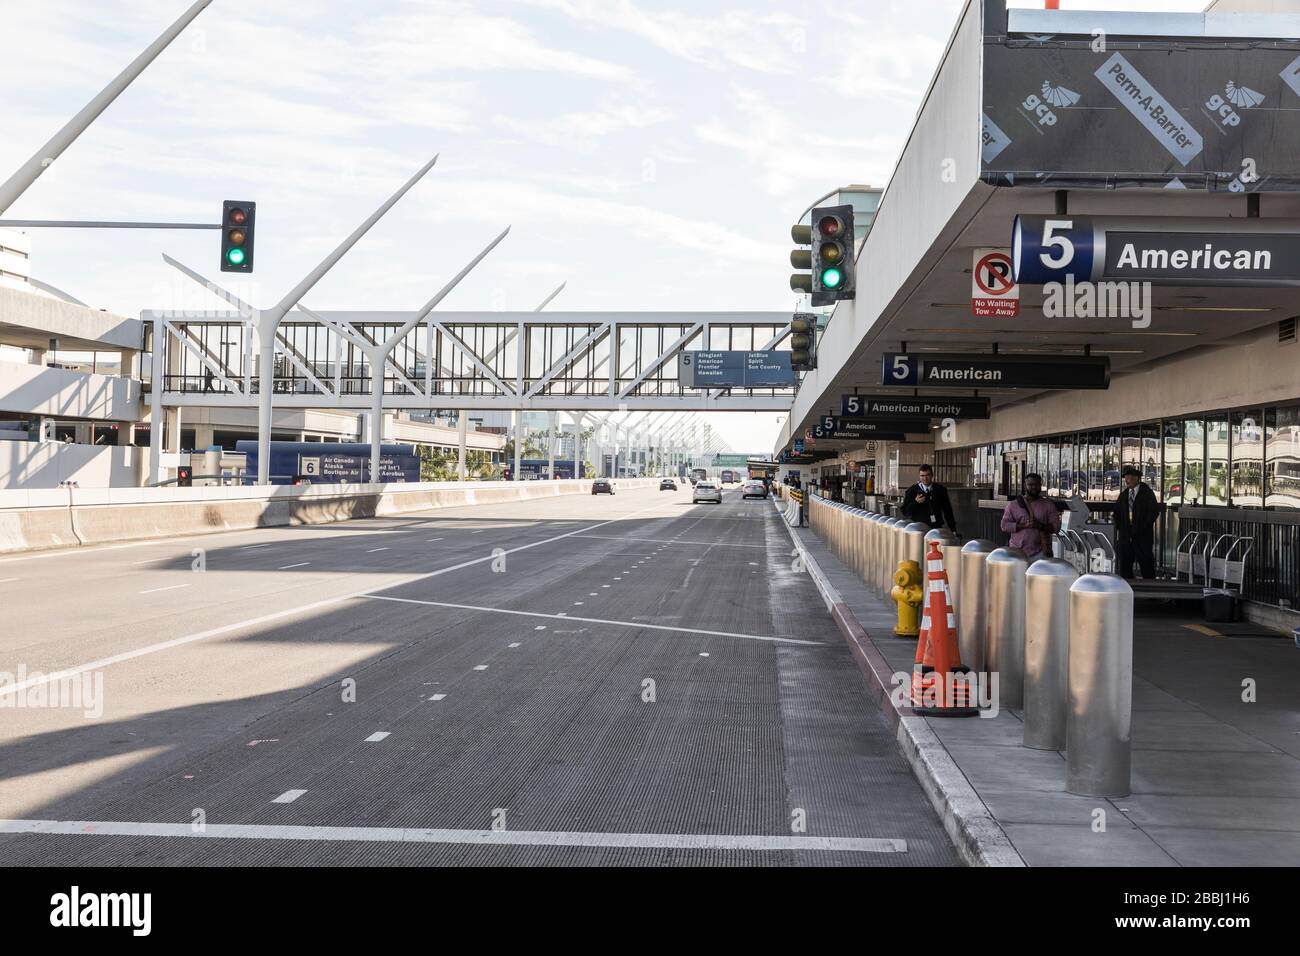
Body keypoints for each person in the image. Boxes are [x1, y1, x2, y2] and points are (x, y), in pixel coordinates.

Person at [999, 473, 1060, 559]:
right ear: (1025, 485)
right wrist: (1023, 525)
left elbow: (1056, 527)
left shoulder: (1048, 505)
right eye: (1030, 485)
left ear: (1040, 485)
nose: (1034, 487)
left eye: (1037, 484)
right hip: (1017, 553)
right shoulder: (1013, 505)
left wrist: (1039, 525)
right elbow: (1004, 526)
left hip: (1040, 552)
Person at [1114, 465, 1158, 579]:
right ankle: (1128, 590)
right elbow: (1117, 513)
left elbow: (1153, 512)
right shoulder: (1124, 495)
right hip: (1126, 536)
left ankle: (1151, 593)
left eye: (1129, 477)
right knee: (1125, 566)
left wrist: (1143, 526)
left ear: (1137, 478)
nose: (1127, 480)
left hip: (1142, 536)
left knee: (1146, 565)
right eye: (1126, 477)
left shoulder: (1147, 493)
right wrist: (1121, 528)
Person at [900, 464, 958, 534]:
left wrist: (953, 529)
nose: (925, 478)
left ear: (932, 475)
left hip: (936, 528)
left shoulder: (940, 490)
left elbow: (948, 511)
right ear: (919, 476)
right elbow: (905, 512)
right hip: (918, 529)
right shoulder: (912, 490)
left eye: (927, 475)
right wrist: (915, 502)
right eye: (922, 476)